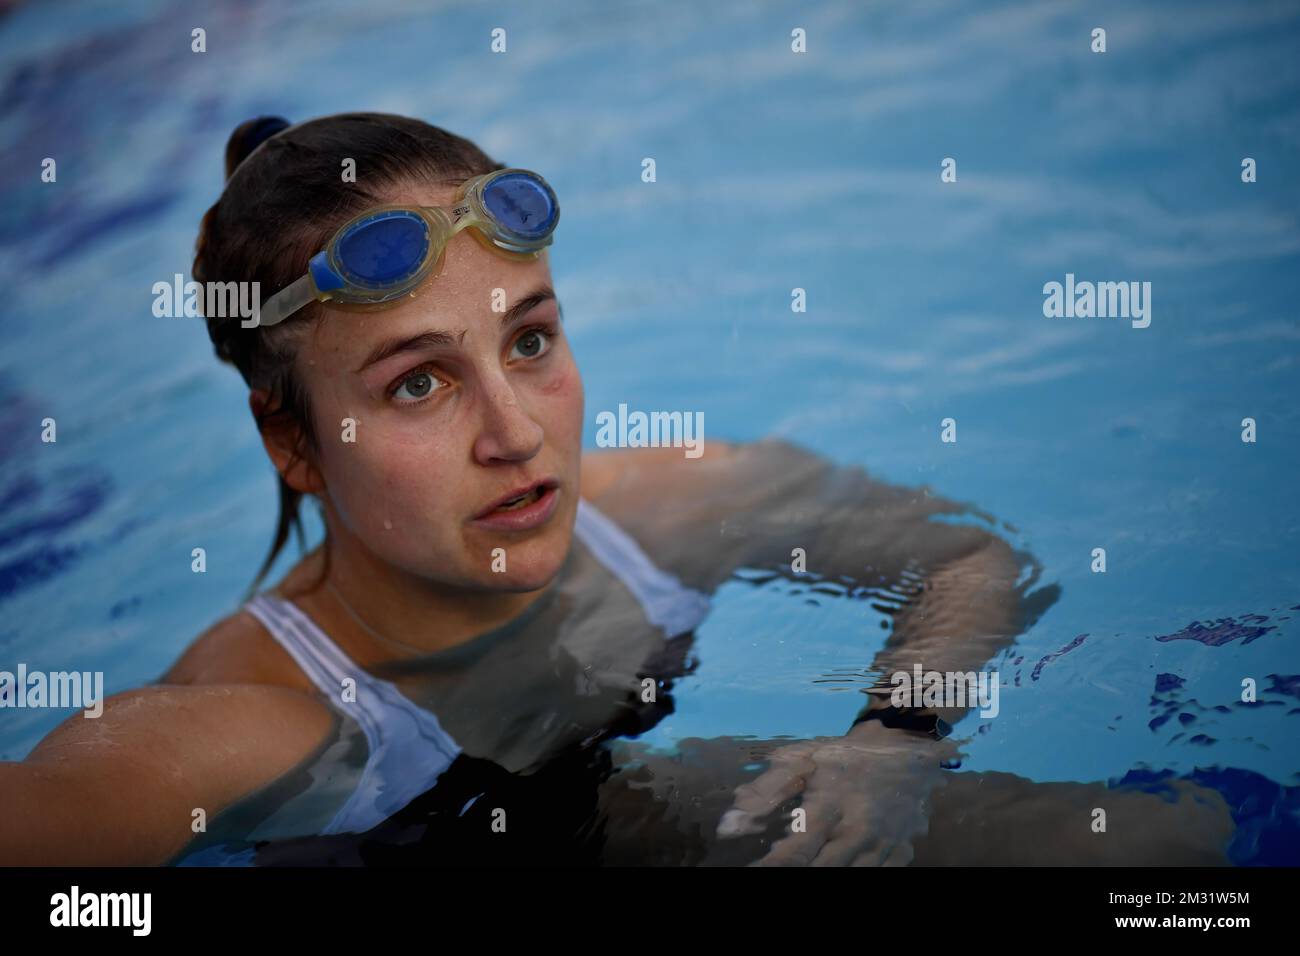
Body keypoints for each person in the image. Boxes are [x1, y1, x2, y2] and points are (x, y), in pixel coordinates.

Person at [0, 113, 1234, 867]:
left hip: (642, 811)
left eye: (528, 340)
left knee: (1173, 851)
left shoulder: (666, 512)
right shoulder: (262, 722)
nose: (516, 433)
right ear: (297, 445)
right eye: (420, 383)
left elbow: (967, 555)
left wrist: (894, 737)